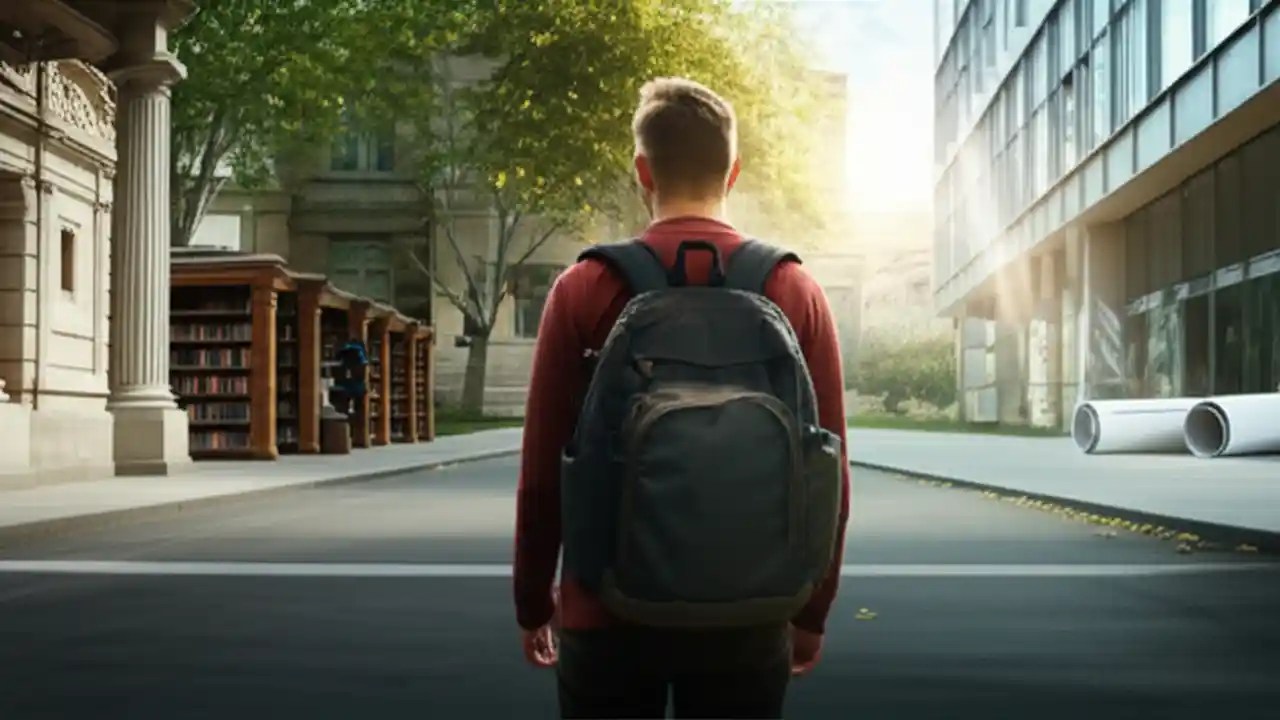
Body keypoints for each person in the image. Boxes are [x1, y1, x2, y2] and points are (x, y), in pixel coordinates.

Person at [513, 76, 851, 719]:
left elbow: (540, 478)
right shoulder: (792, 288)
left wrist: (534, 602)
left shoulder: (584, 288)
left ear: (642, 170)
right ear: (734, 171)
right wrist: (813, 610)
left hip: (604, 607)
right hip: (752, 610)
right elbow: (830, 474)